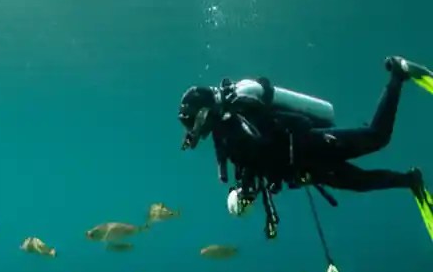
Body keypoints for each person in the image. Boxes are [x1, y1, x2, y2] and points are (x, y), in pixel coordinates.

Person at [177, 56, 433, 239]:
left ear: (204, 113)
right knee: (361, 181)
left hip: (310, 146)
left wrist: (246, 188)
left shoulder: (238, 113)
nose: (196, 133)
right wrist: (245, 190)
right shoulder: (226, 133)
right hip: (307, 167)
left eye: (195, 125)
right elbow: (254, 161)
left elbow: (259, 146)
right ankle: (410, 180)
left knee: (376, 137)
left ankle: (397, 75)